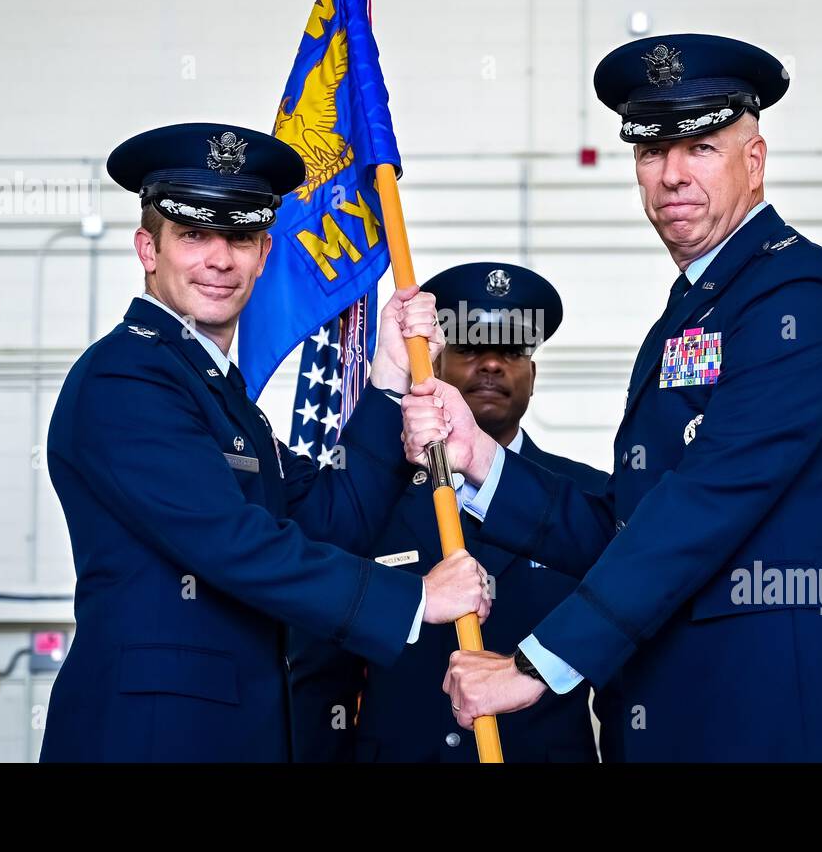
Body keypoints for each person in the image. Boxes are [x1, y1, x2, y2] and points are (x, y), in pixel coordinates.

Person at [401, 35, 822, 762]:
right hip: (675, 716)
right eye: (650, 152)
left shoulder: (803, 301)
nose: (670, 175)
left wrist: (535, 665)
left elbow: (704, 505)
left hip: (768, 719)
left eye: (699, 148)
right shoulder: (696, 310)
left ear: (752, 163)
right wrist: (479, 461)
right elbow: (632, 523)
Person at [39, 122, 490, 762]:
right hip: (151, 740)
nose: (220, 259)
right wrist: (415, 598)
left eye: (241, 237)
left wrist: (388, 380)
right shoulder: (127, 377)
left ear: (264, 253)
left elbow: (332, 519)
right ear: (148, 248)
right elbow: (233, 543)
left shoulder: (218, 396)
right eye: (194, 234)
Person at [287, 263, 618, 762]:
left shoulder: (588, 499)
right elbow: (322, 663)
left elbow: (623, 656)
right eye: (470, 348)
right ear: (435, 366)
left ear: (534, 374)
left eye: (511, 351)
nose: (491, 365)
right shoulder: (371, 494)